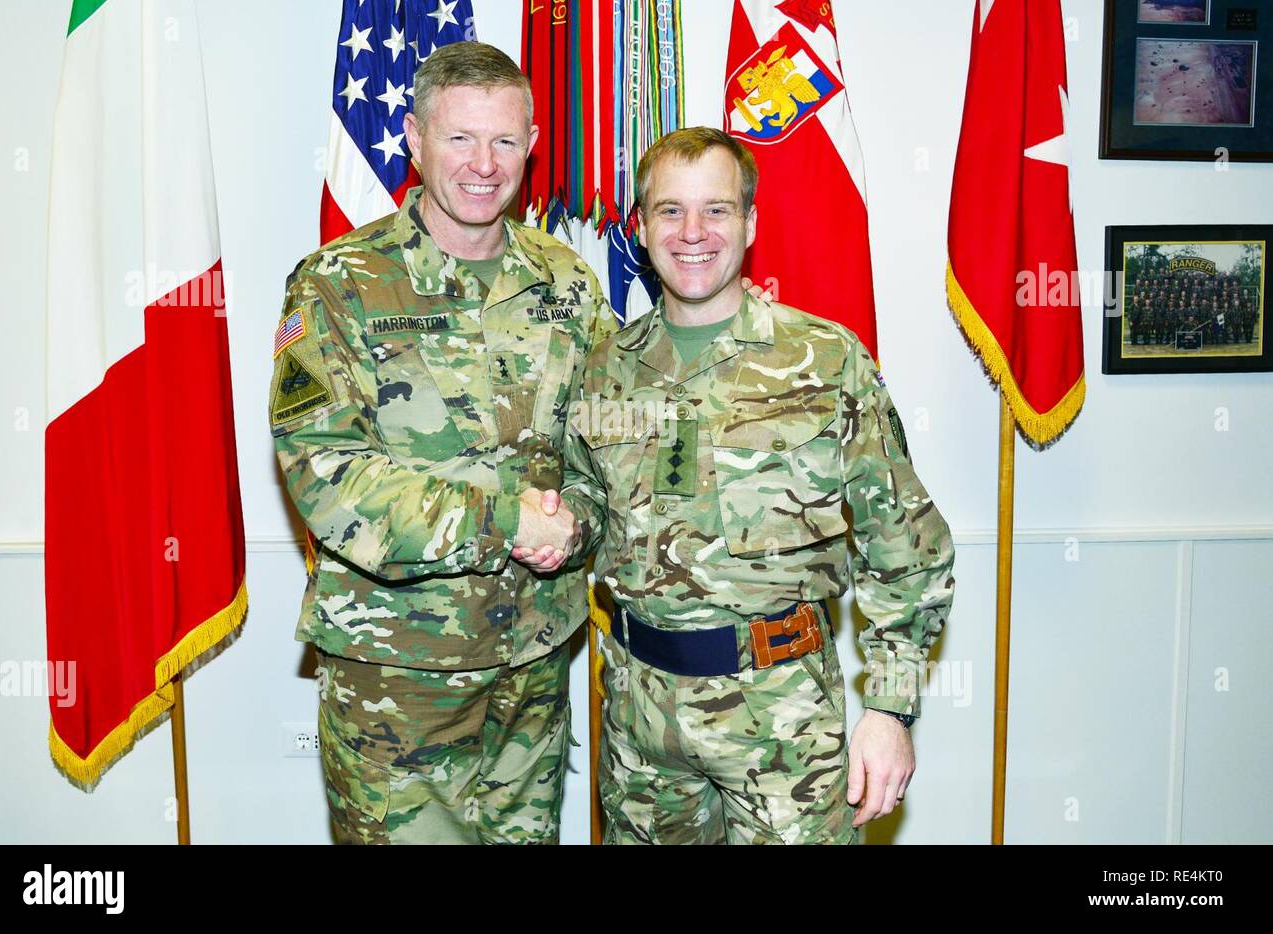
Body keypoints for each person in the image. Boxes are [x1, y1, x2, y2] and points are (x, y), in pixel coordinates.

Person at [562, 128, 956, 844]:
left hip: (782, 722)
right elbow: (586, 510)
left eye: (716, 210)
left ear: (749, 222)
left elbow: (908, 547)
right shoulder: (602, 369)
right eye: (670, 211)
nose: (693, 233)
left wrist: (892, 710)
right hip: (638, 721)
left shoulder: (825, 361)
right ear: (641, 227)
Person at [269, 41, 615, 844]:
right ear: (416, 142)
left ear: (532, 146)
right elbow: (328, 474)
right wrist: (507, 522)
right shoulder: (336, 285)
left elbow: (607, 441)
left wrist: (580, 523)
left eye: (503, 141)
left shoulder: (568, 283)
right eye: (459, 138)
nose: (483, 165)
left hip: (534, 666)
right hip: (400, 679)